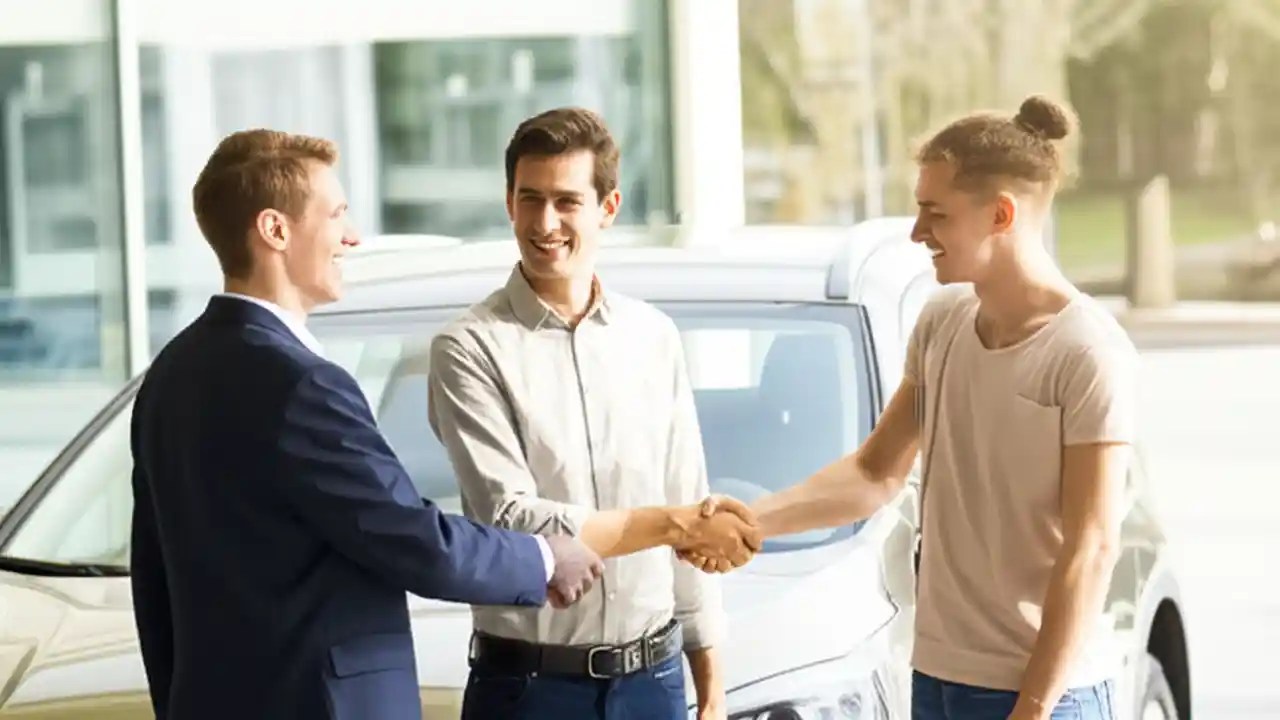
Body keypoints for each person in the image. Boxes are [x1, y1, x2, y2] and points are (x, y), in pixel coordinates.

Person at [129, 128, 605, 720]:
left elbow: (152, 587)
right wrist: (543, 558)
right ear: (276, 230)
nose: (352, 237)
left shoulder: (169, 375)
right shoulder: (301, 385)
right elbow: (411, 538)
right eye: (336, 215)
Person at [689, 96, 1137, 720]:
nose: (917, 232)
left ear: (1000, 215)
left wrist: (1032, 709)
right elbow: (874, 475)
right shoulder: (943, 322)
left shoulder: (1086, 349)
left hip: (1045, 693)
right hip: (937, 677)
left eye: (935, 213)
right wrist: (750, 522)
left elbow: (1091, 546)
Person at [426, 107, 760, 720]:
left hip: (653, 684)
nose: (545, 222)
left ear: (608, 207)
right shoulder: (468, 348)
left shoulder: (652, 336)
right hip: (528, 690)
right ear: (509, 203)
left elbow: (688, 495)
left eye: (566, 201)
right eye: (530, 199)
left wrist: (709, 687)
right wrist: (674, 524)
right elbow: (512, 516)